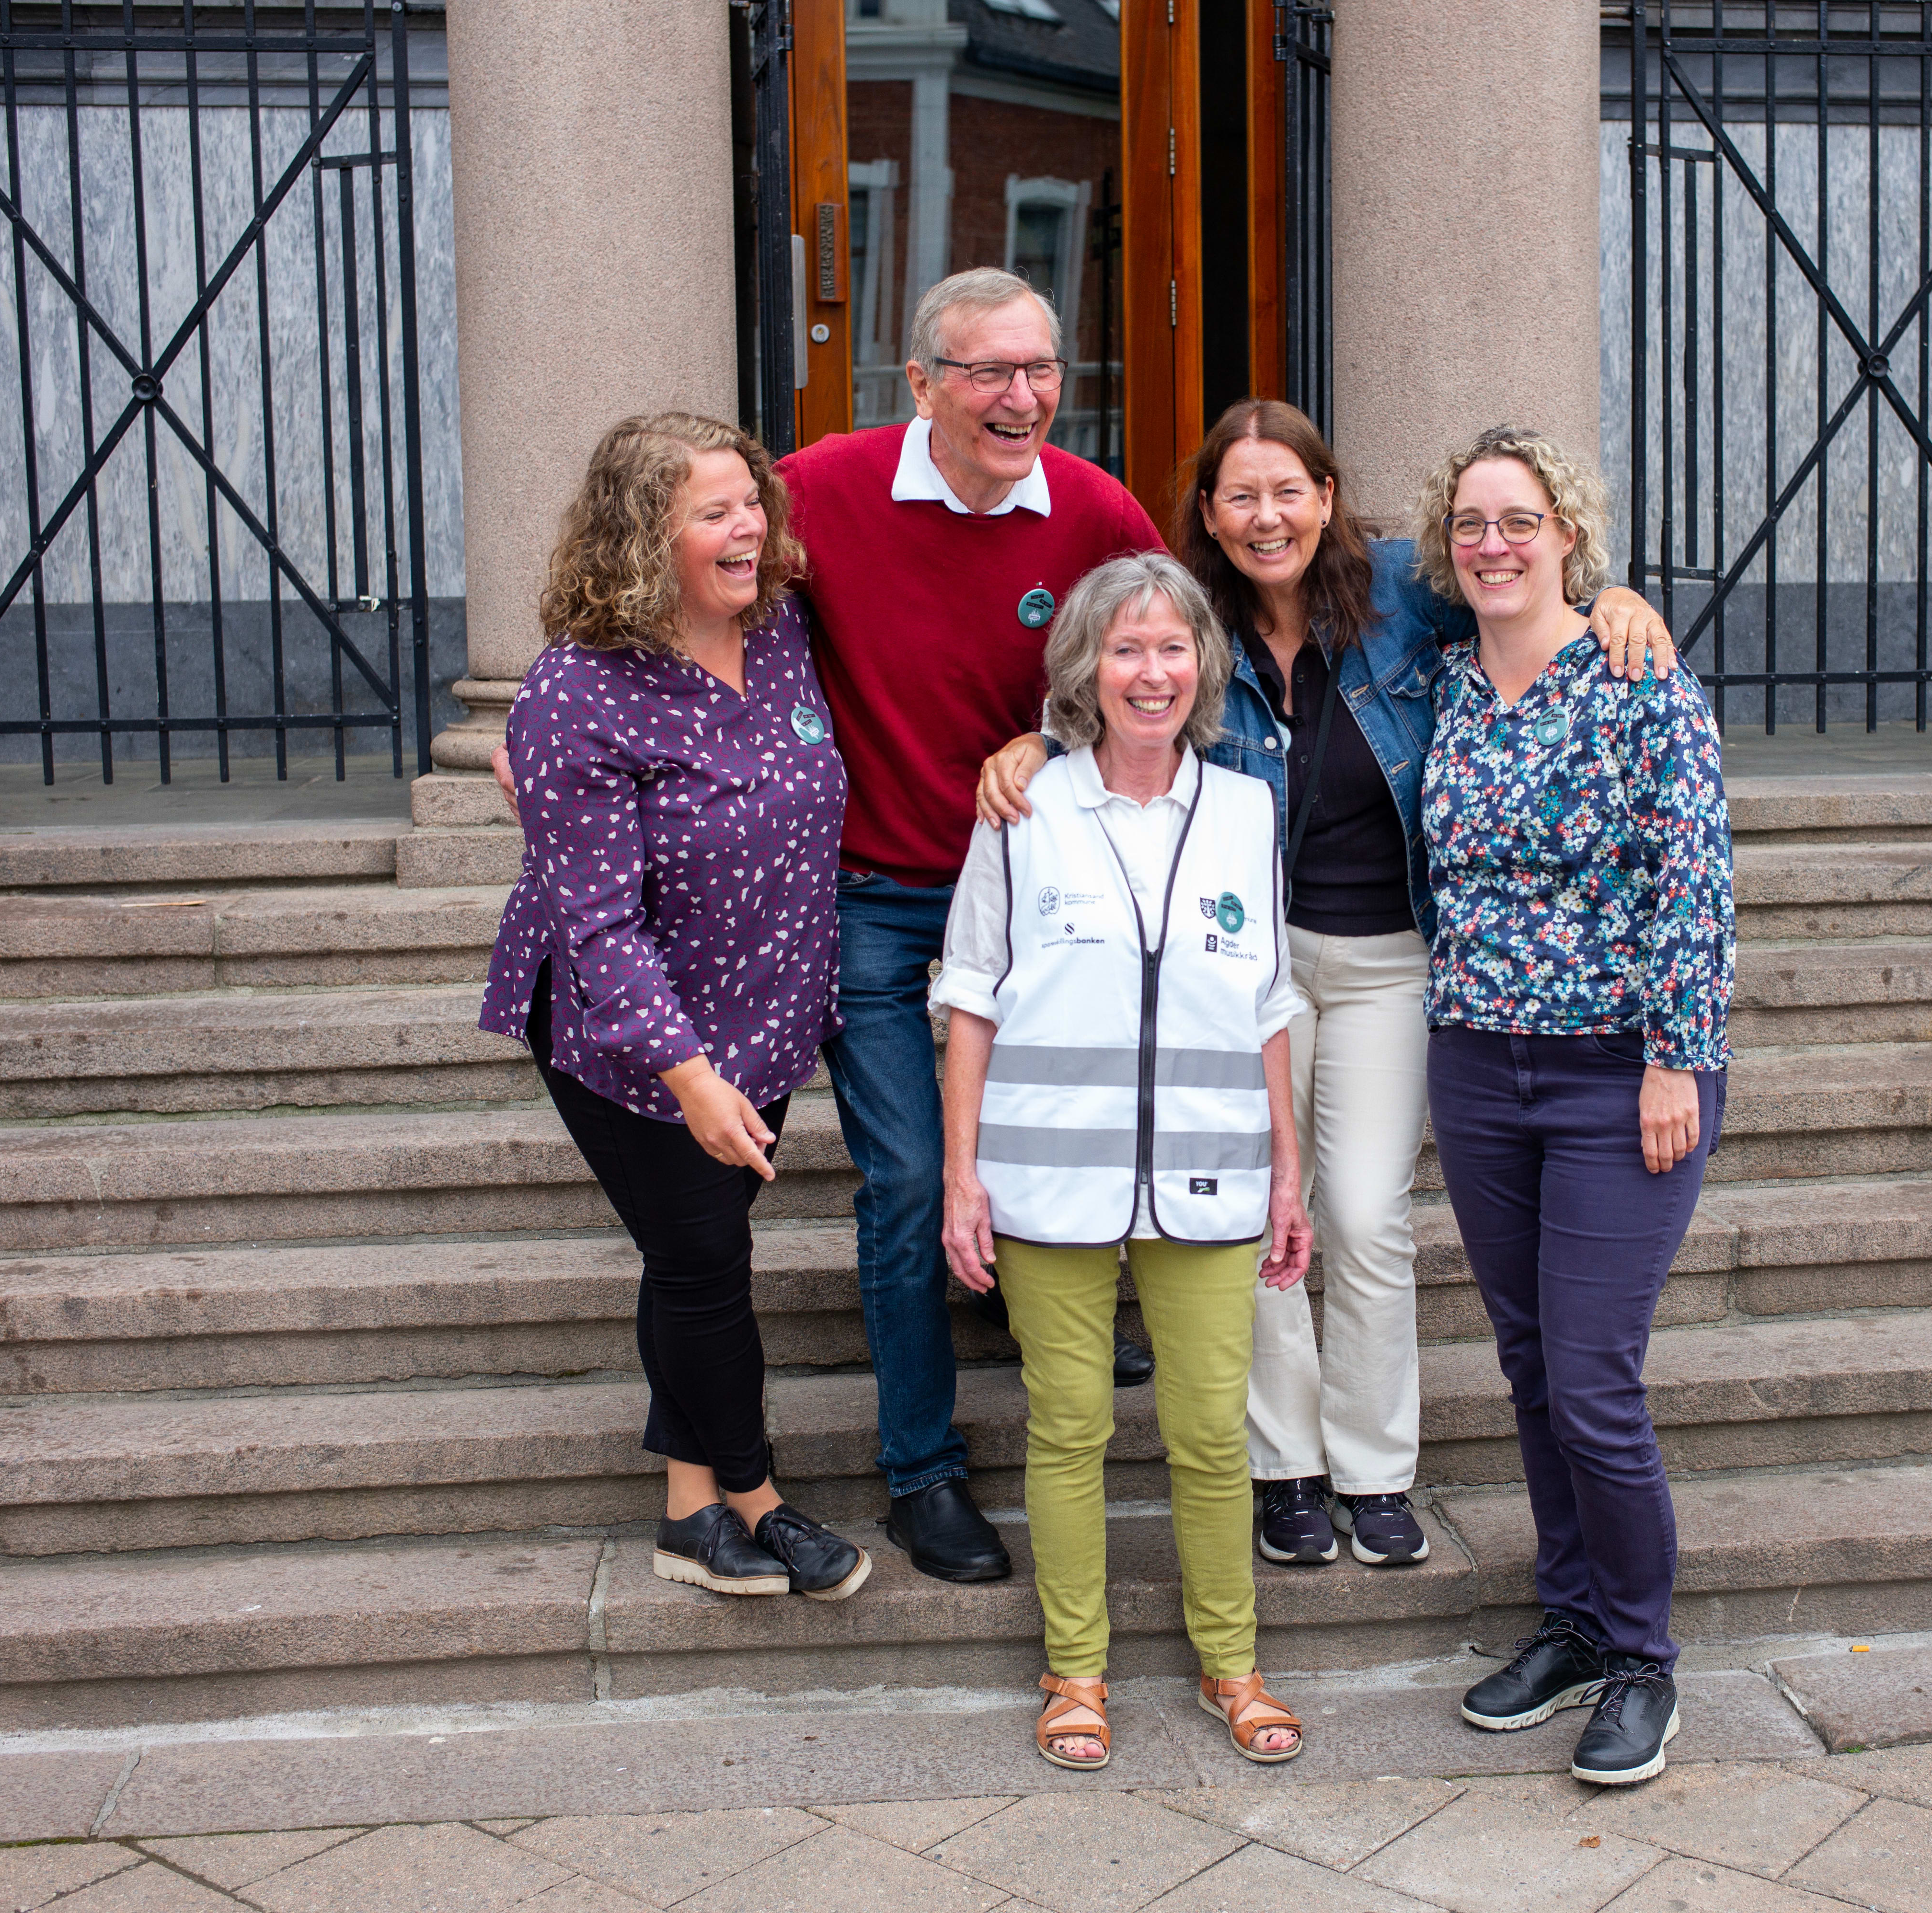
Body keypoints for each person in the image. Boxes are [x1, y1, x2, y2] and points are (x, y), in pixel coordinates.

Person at [496, 268, 1166, 1587]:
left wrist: (1054, 733)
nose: (1021, 395)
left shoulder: (1094, 509)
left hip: (1033, 896)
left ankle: (1038, 1307)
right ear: (922, 383)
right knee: (905, 1179)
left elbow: (1175, 651)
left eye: (1041, 368)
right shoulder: (819, 493)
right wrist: (538, 737)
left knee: (1037, 1147)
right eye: (988, 370)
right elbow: (640, 595)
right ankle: (921, 1472)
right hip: (863, 905)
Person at [974, 400, 1676, 1576]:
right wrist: (1036, 745)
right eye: (1241, 496)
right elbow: (1115, 687)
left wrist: (1618, 597)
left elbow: (1523, 584)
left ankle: (1375, 1468)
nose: (1268, 518)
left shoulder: (1405, 589)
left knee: (1361, 1212)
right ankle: (1286, 1467)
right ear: (1209, 513)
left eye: (1289, 491)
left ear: (1328, 497)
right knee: (1257, 1212)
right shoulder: (1197, 616)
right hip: (1244, 962)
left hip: (1390, 960)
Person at [479, 413, 871, 1605]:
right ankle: (755, 1495)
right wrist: (689, 1076)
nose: (749, 527)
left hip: (767, 1010)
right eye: (715, 512)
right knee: (705, 1259)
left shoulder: (783, 628)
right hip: (629, 1036)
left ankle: (688, 1511)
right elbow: (598, 926)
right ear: (644, 537)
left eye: (752, 501)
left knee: (688, 1258)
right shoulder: (576, 691)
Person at [936, 552, 1315, 1772]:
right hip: (1050, 1181)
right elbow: (970, 998)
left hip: (1213, 1172)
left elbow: (1267, 1002)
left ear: (1204, 664)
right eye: (1127, 648)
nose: (1152, 673)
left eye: (1173, 647)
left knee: (1210, 1432)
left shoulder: (1248, 810)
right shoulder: (1024, 808)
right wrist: (960, 1177)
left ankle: (1232, 1663)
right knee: (1070, 1427)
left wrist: (1289, 1172)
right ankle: (1076, 1670)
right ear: (1085, 670)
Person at [1415, 426, 1732, 1788]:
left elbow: (1693, 875)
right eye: (1471, 524)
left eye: (1520, 520)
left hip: (1621, 1070)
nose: (1494, 544)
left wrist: (1677, 1056)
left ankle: (1644, 1660)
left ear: (1568, 535)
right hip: (1480, 1064)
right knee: (1534, 1366)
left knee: (1596, 1379)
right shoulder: (1437, 683)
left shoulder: (1638, 677)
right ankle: (1574, 1623)